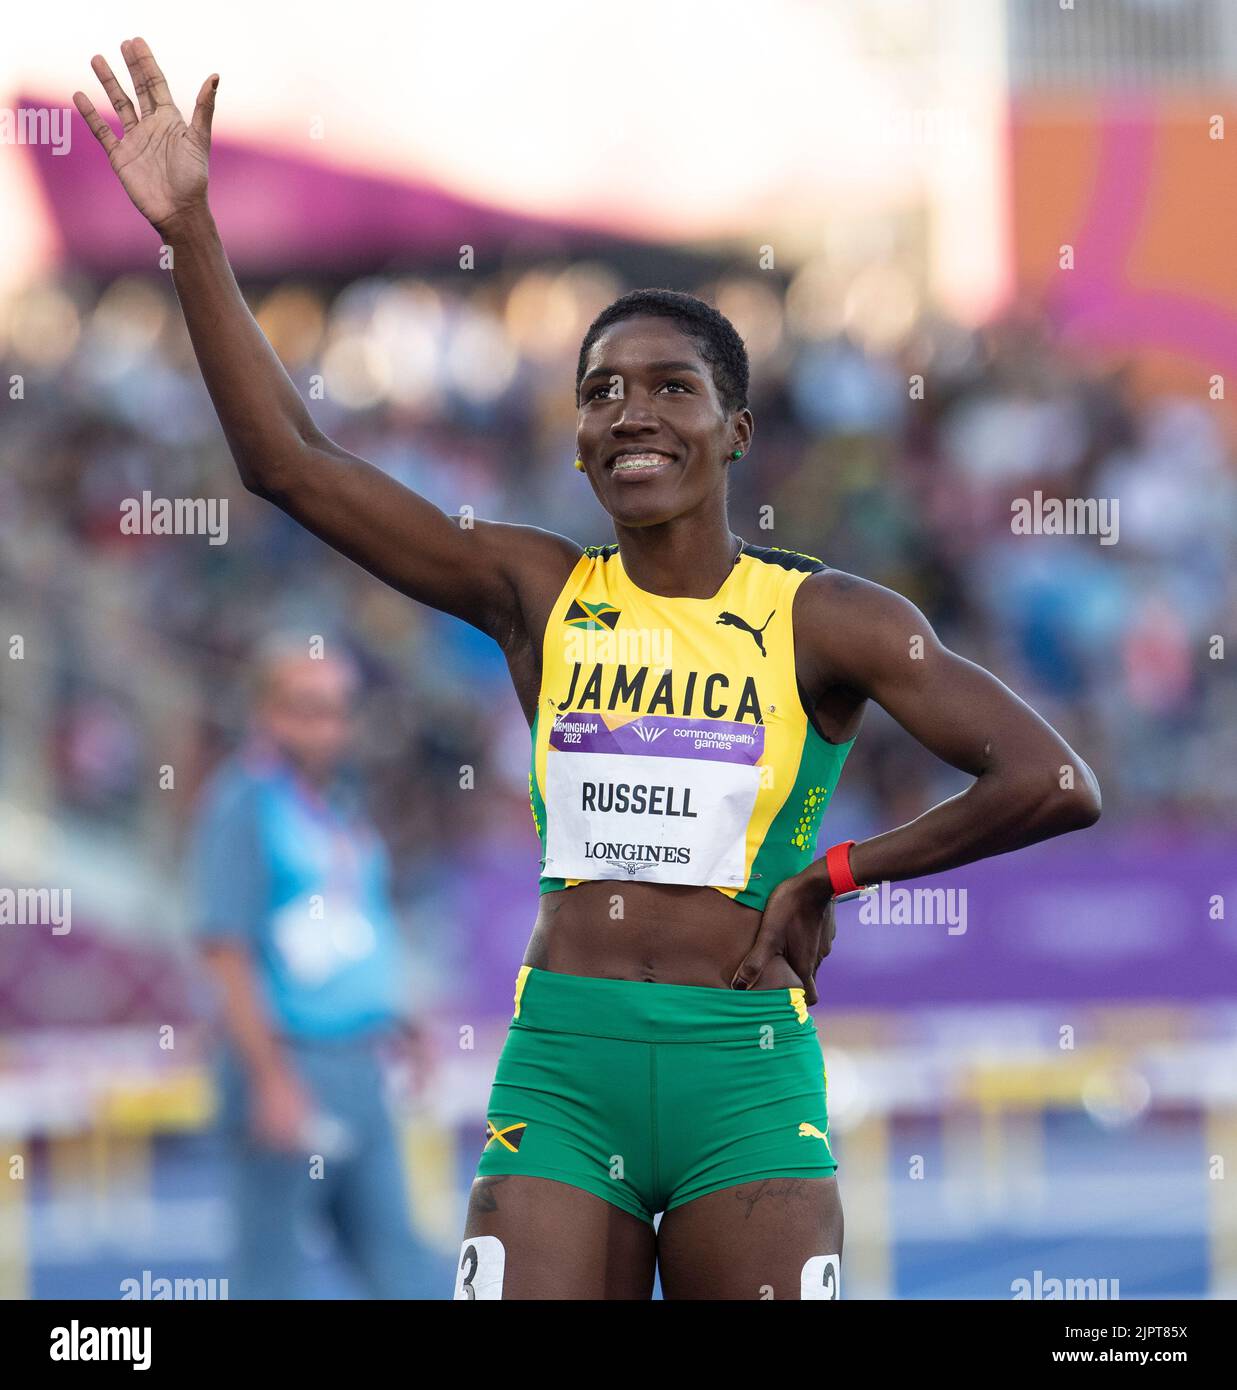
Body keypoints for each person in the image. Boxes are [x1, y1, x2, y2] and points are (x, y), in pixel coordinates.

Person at [77, 40, 1101, 1300]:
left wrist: (839, 872)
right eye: (602, 391)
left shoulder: (826, 617)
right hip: (563, 1064)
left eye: (672, 388)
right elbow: (291, 463)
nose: (632, 413)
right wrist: (190, 232)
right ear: (573, 438)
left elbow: (1052, 780)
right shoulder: (535, 591)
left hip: (743, 1073)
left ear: (733, 431)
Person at [189, 639, 429, 1298]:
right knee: (270, 1274)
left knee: (400, 1264)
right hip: (287, 1063)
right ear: (267, 712)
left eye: (339, 710)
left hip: (358, 1062)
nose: (328, 726)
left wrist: (398, 1013)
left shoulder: (339, 802)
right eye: (307, 708)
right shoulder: (242, 805)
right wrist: (271, 1079)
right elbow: (225, 952)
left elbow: (354, 921)